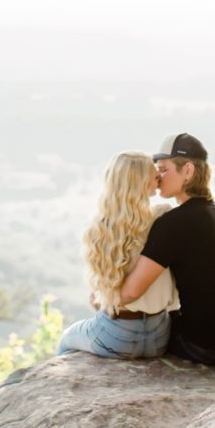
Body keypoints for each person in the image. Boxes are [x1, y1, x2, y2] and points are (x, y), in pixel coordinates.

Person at [119, 133, 215, 365]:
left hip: (210, 347)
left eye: (164, 169)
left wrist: (103, 300)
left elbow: (131, 291)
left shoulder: (172, 223)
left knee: (147, 330)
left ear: (187, 171)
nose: (157, 176)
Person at [57, 151, 177, 359]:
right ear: (140, 181)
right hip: (160, 335)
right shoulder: (164, 217)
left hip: (117, 336)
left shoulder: (102, 228)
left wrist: (104, 297)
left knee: (67, 339)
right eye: (153, 173)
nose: (158, 176)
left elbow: (98, 297)